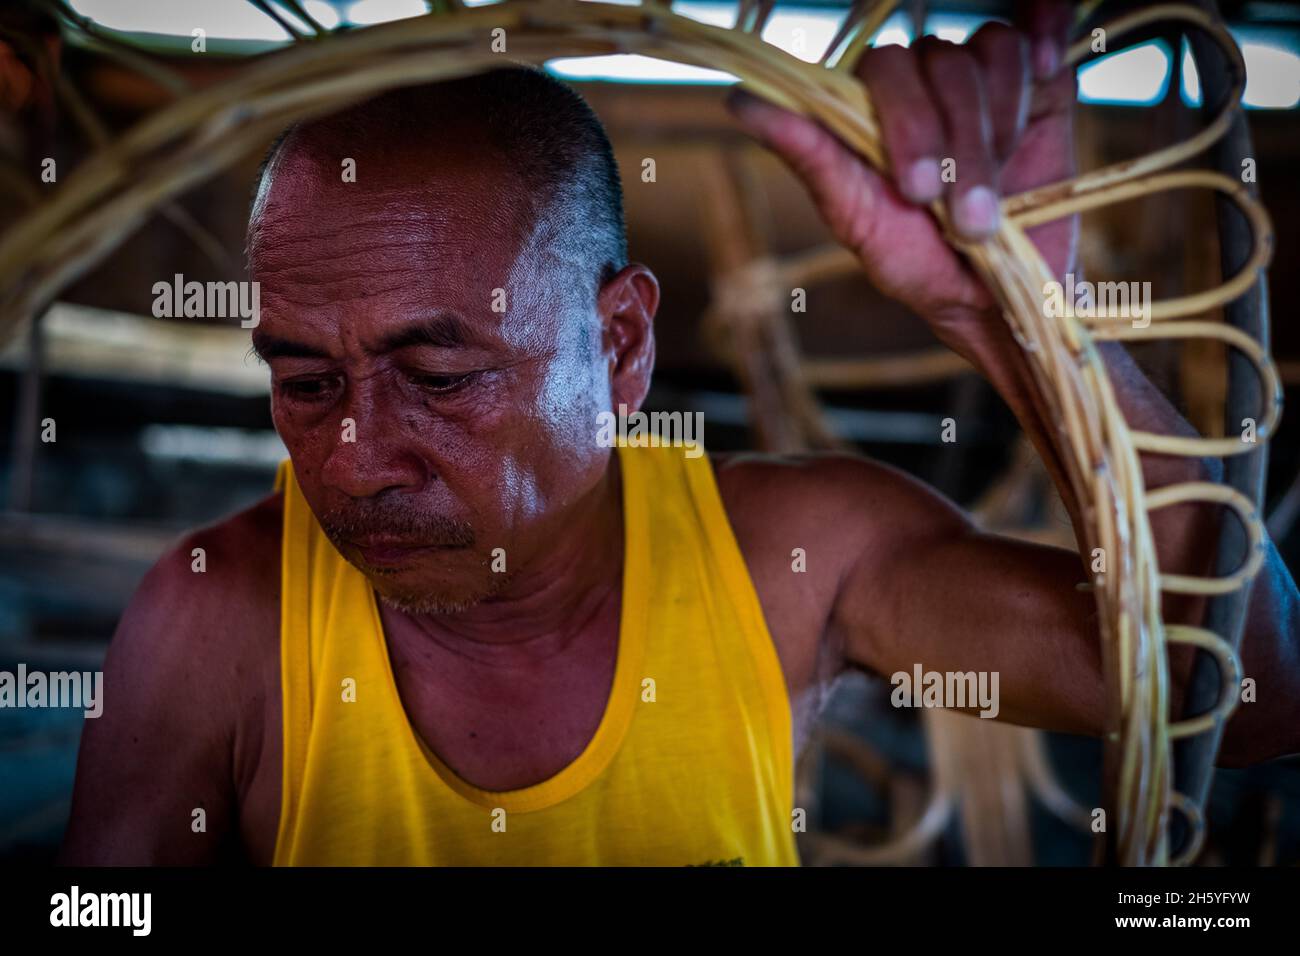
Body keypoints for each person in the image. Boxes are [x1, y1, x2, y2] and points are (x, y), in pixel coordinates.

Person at [61, 3, 1299, 865]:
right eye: (305, 382)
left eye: (436, 374)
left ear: (620, 347)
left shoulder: (790, 559)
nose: (352, 456)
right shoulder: (215, 621)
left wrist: (1012, 312)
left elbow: (1240, 688)